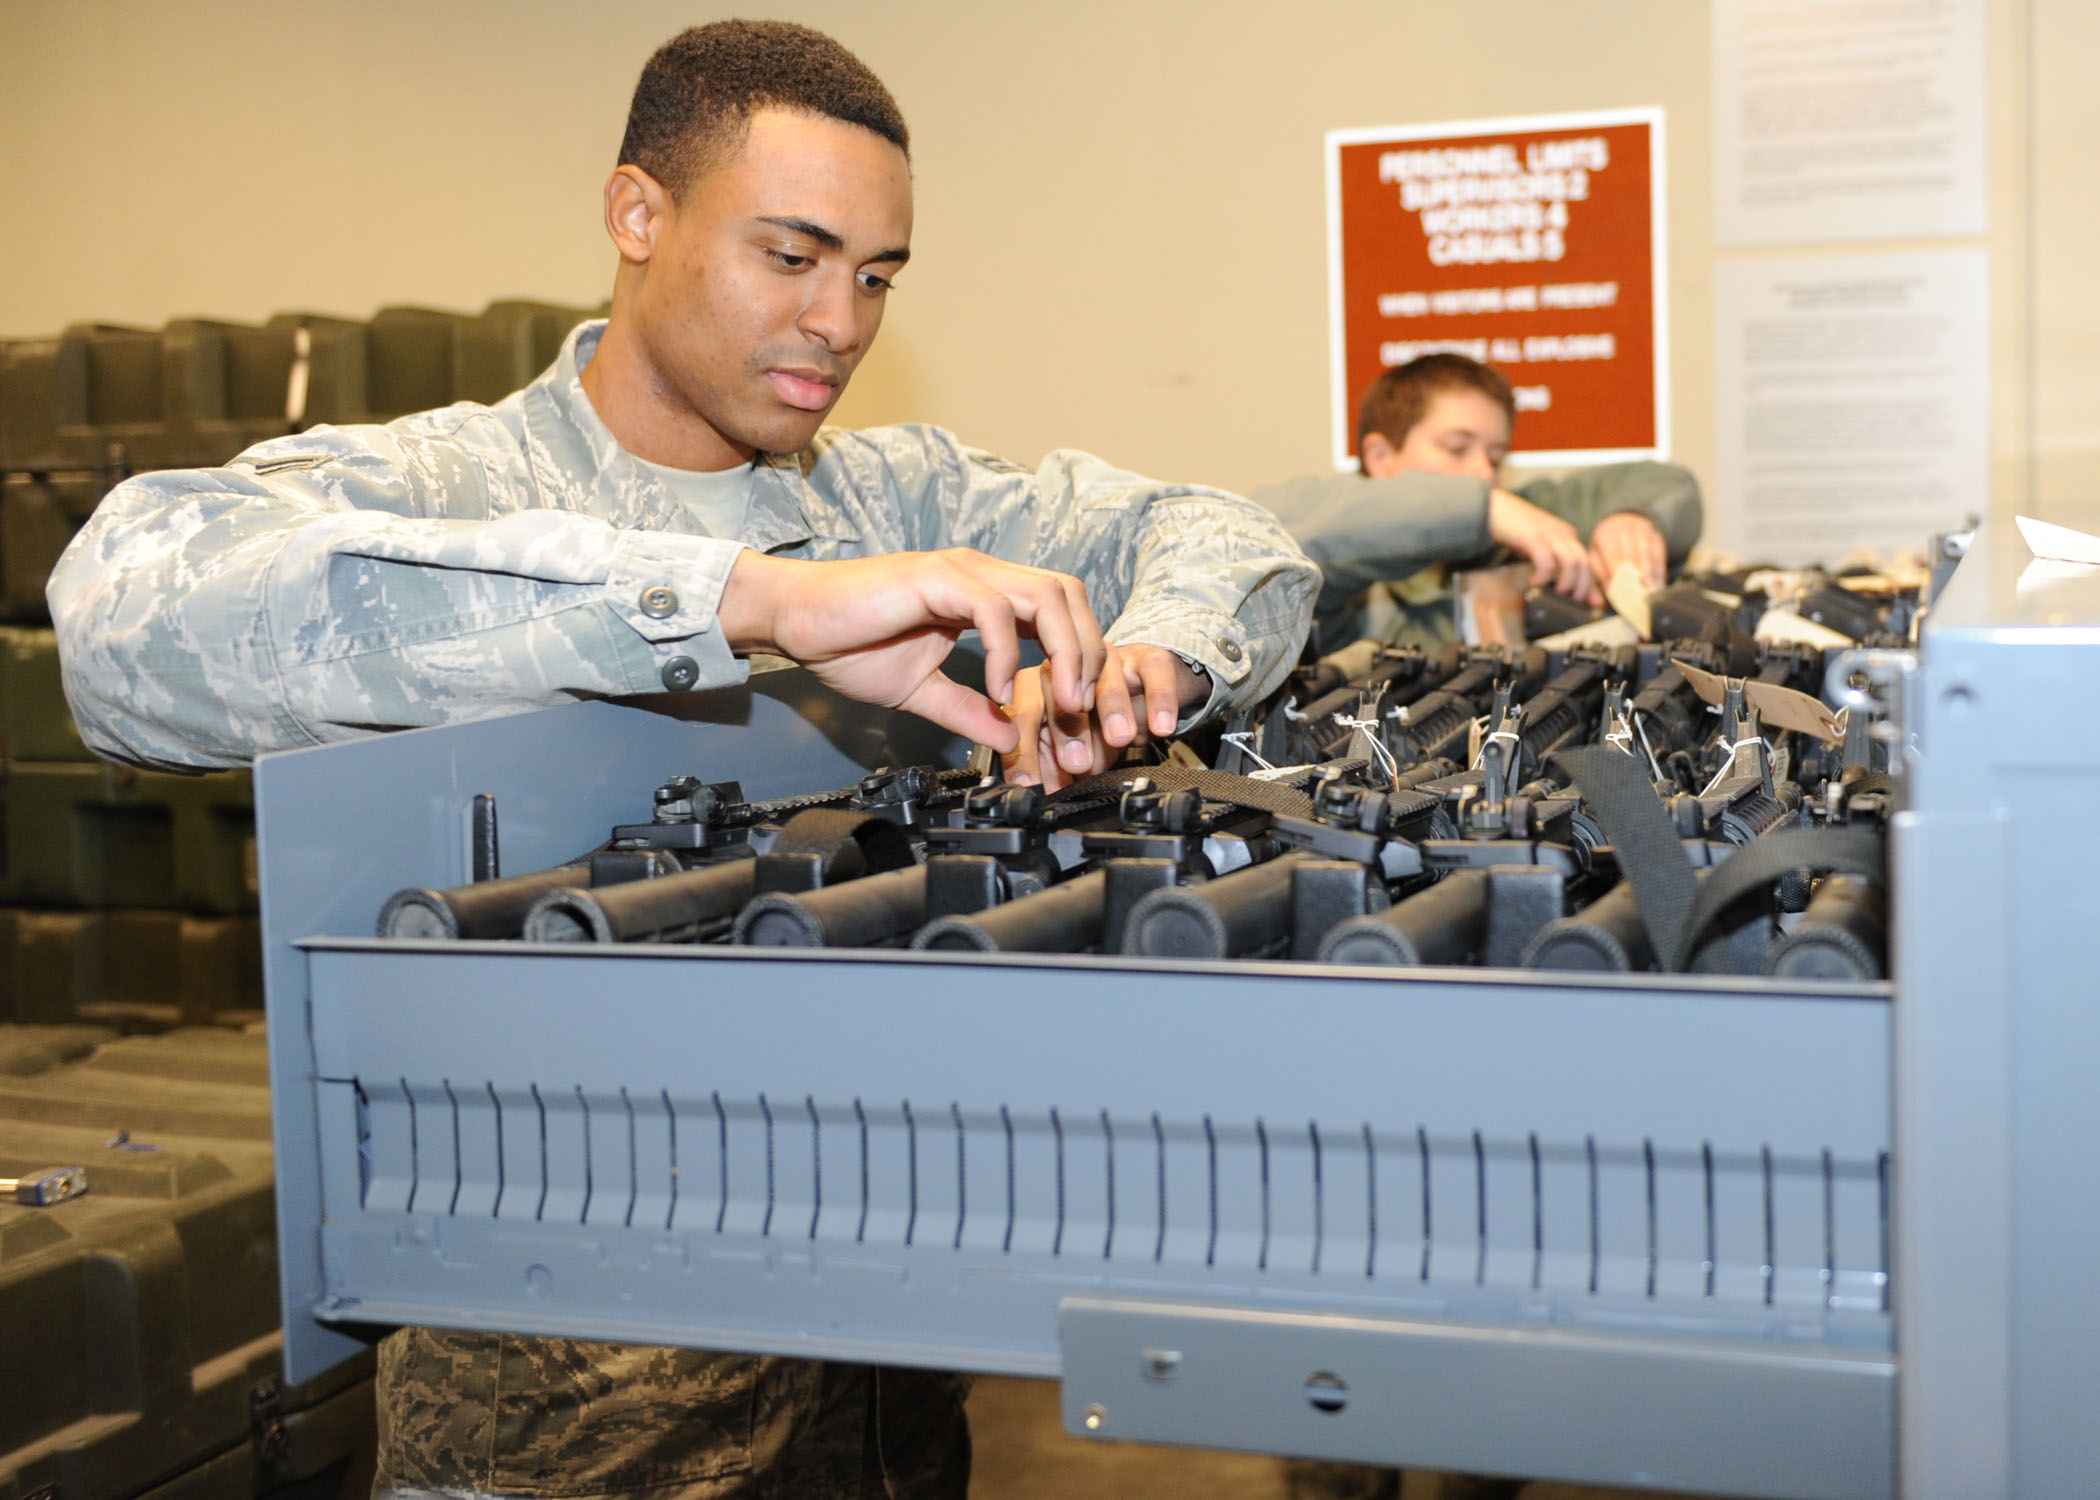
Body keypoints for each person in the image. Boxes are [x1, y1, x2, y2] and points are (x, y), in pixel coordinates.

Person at [47, 20, 1316, 1500]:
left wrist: (1163, 658)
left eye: (877, 276)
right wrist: (743, 600)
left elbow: (1236, 539)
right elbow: (118, 625)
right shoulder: (451, 484)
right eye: (793, 256)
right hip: (568, 1393)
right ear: (637, 215)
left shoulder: (889, 489)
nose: (842, 321)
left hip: (880, 1341)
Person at [1251, 353, 1702, 655]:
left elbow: (1667, 483)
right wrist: (1481, 510)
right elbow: (1262, 538)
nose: (1484, 475)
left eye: (1495, 457)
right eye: (1455, 448)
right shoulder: (1343, 561)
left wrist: (1631, 518)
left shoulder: (1513, 531)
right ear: (1381, 457)